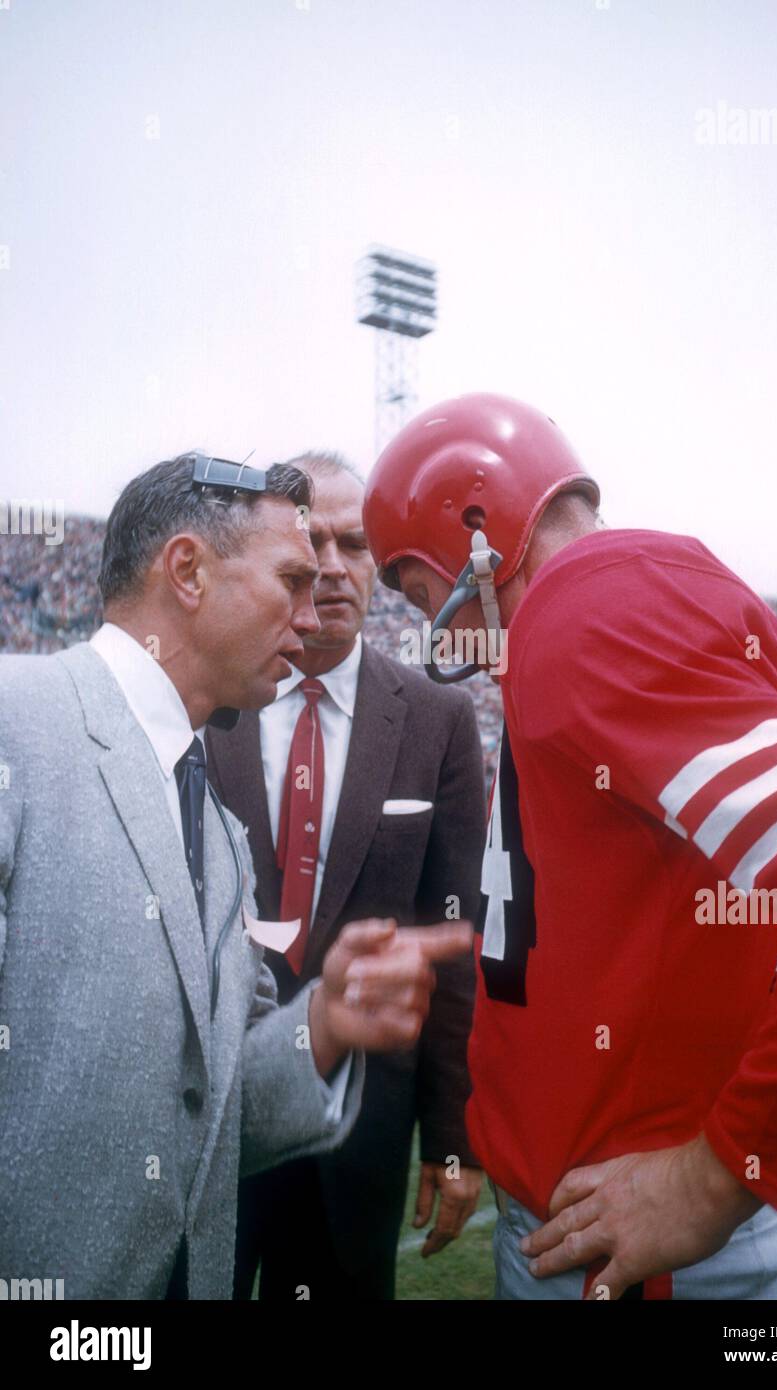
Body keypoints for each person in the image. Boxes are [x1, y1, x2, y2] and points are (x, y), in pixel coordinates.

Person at [362, 393, 777, 1301]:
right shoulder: (608, 605)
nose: (442, 631)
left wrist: (713, 1180)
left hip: (642, 1256)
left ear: (478, 531)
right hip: (586, 1217)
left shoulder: (587, 616)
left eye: (428, 594)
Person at [0, 451, 470, 1300]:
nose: (313, 610)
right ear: (187, 571)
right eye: (292, 576)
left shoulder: (210, 828)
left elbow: (214, 1110)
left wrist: (323, 1023)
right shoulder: (14, 725)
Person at [206, 451, 486, 1301]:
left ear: (379, 564)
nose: (330, 566)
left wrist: (450, 1136)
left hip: (358, 1124)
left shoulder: (437, 719)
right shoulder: (206, 704)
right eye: (309, 542)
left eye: (354, 544)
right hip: (213, 1117)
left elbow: (454, 945)